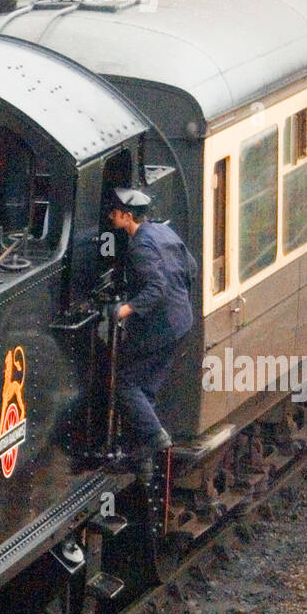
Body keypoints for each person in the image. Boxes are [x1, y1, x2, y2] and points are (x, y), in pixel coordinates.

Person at [106, 186, 197, 464]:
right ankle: (143, 446)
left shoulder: (140, 247)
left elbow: (156, 288)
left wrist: (124, 309)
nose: (111, 217)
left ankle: (155, 438)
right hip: (181, 320)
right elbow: (190, 267)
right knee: (147, 384)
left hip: (161, 327)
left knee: (126, 385)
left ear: (127, 216)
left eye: (115, 213)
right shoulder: (163, 231)